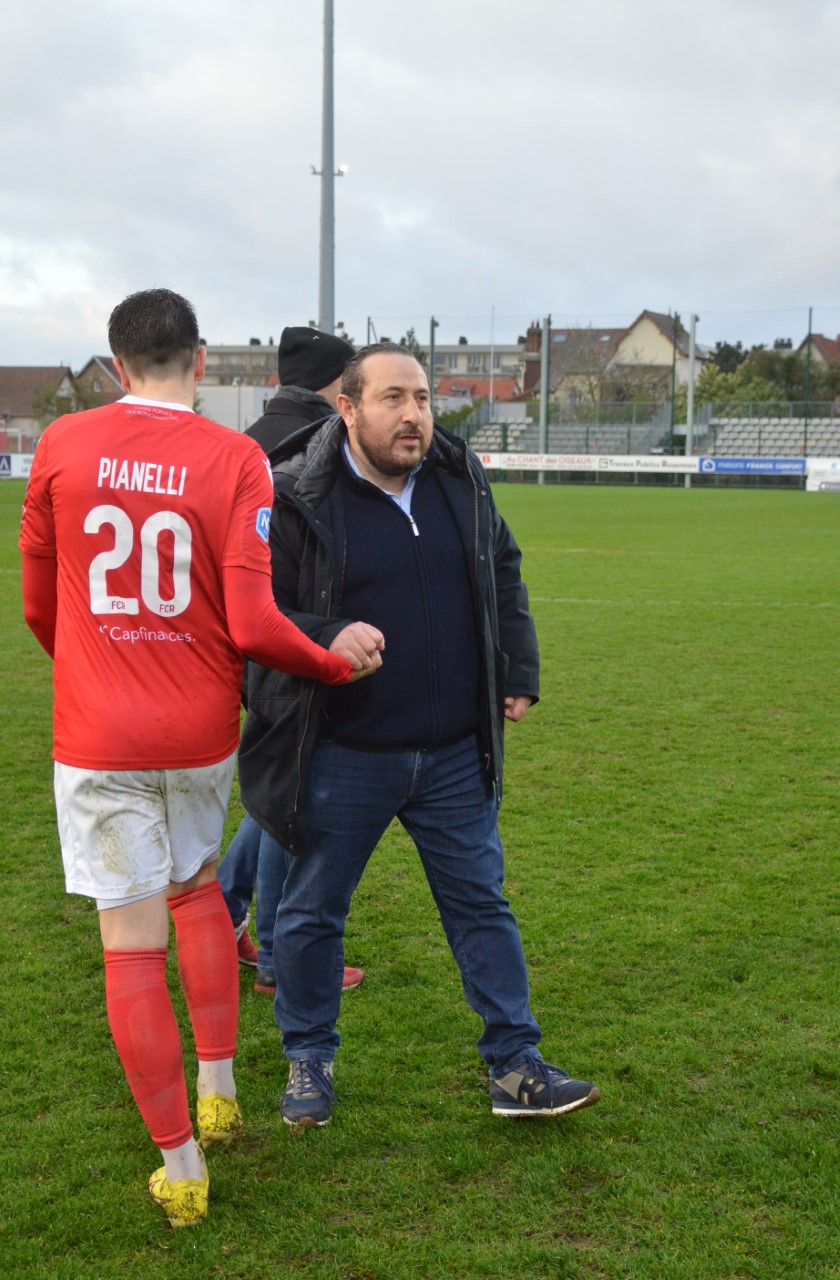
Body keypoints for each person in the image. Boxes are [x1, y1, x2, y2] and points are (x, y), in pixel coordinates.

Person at [18, 290, 383, 1227]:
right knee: (198, 888)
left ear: (114, 362)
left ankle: (182, 1169)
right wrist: (327, 659)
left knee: (130, 937)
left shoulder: (63, 444)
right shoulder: (235, 458)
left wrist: (98, 670)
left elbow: (38, 604)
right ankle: (218, 1095)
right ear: (203, 358)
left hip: (100, 731)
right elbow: (257, 623)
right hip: (198, 729)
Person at [237, 341, 601, 1129]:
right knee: (308, 916)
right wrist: (326, 634)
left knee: (481, 905)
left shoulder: (456, 478)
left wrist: (517, 666)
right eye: (394, 399)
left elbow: (502, 569)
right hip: (338, 750)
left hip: (451, 756)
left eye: (424, 399)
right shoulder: (298, 494)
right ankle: (308, 1059)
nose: (415, 417)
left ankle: (515, 1061)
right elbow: (254, 613)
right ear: (348, 408)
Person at [218, 326, 363, 994]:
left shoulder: (241, 441)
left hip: (242, 638)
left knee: (277, 787)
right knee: (292, 794)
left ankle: (226, 913)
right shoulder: (321, 442)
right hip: (295, 636)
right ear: (336, 383)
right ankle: (277, 959)